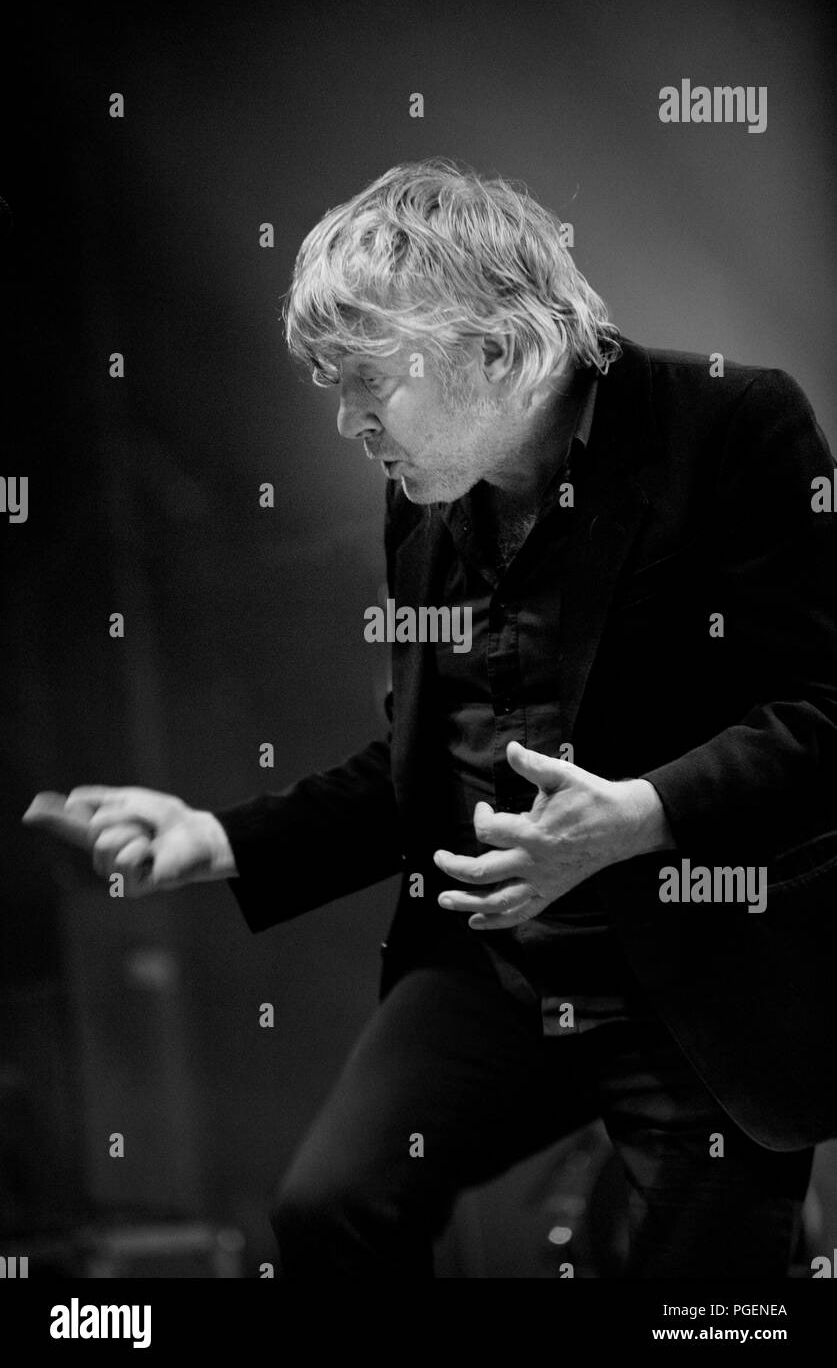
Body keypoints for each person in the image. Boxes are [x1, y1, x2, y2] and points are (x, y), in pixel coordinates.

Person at [25, 159, 837, 1278]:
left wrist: (644, 815)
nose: (351, 421)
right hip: (497, 970)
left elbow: (827, 711)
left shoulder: (733, 422)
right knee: (330, 1209)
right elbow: (423, 765)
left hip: (705, 985)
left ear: (497, 353)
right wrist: (217, 838)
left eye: (366, 380)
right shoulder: (427, 489)